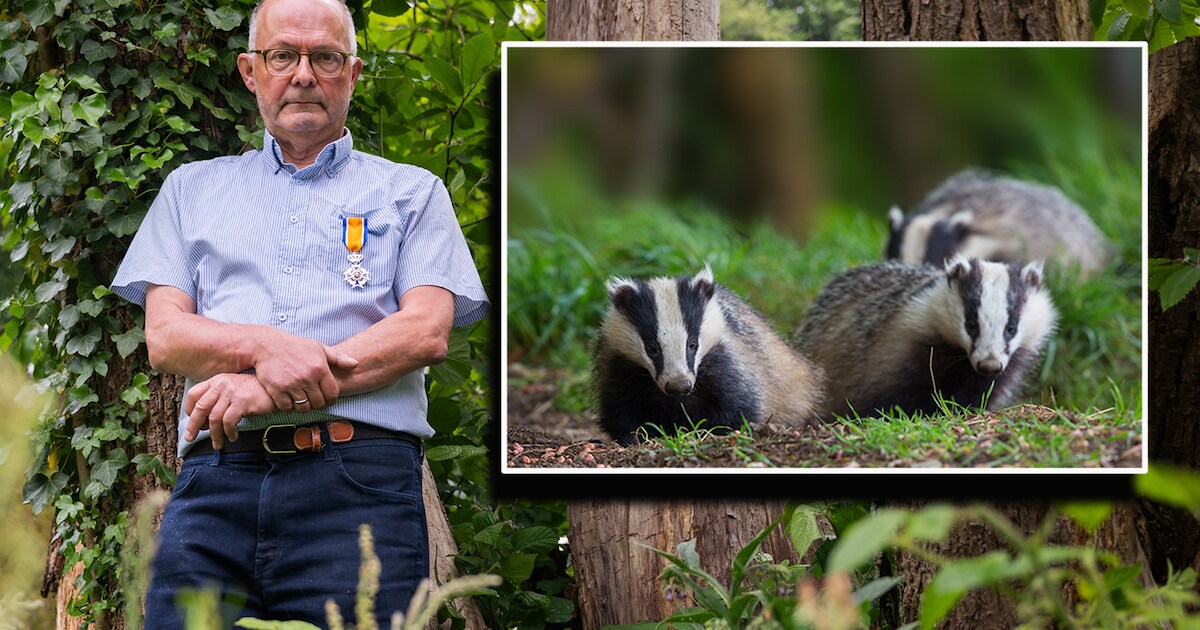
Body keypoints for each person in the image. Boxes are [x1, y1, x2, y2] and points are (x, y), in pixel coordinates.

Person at [110, 0, 489, 625]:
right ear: (250, 71)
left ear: (354, 73)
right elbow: (166, 335)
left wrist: (267, 392)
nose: (304, 73)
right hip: (214, 484)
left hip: (358, 484)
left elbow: (425, 331)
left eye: (325, 57)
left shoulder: (412, 190)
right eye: (282, 55)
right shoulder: (190, 189)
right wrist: (265, 349)